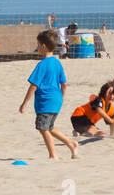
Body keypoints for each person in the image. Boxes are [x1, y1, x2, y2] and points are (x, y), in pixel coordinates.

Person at [18, 30, 79, 159]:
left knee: (42, 128)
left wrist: (24, 103)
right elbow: (64, 84)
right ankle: (70, 143)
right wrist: (61, 97)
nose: (37, 47)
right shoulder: (57, 62)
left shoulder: (42, 65)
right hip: (56, 100)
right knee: (49, 127)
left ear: (43, 46)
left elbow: (33, 86)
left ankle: (53, 155)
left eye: (38, 44)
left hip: (45, 101)